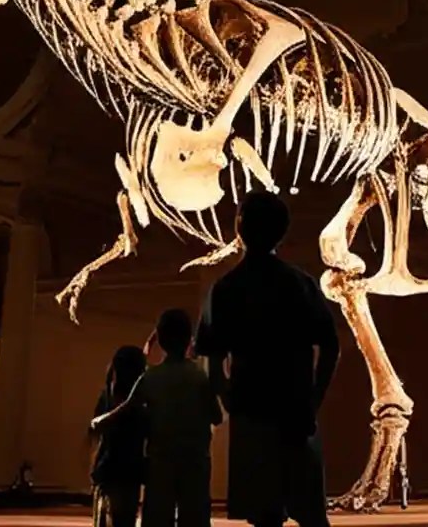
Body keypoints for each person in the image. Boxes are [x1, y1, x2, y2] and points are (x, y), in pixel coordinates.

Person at [194, 190, 340, 527]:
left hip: (254, 411)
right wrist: (313, 399)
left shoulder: (227, 289)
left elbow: (212, 356)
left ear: (240, 225)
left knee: (264, 514)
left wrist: (228, 396)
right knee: (310, 513)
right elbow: (330, 345)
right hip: (295, 407)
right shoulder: (300, 284)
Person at [92, 309, 223, 527]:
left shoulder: (151, 377)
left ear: (160, 341)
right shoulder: (200, 377)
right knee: (194, 517)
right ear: (189, 339)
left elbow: (126, 407)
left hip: (160, 463)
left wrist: (100, 420)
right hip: (195, 462)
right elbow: (216, 417)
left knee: (158, 518)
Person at [90, 346, 149, 527]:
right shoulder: (140, 404)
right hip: (130, 468)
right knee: (125, 517)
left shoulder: (108, 396)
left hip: (109, 466)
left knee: (106, 517)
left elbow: (101, 438)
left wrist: (94, 466)